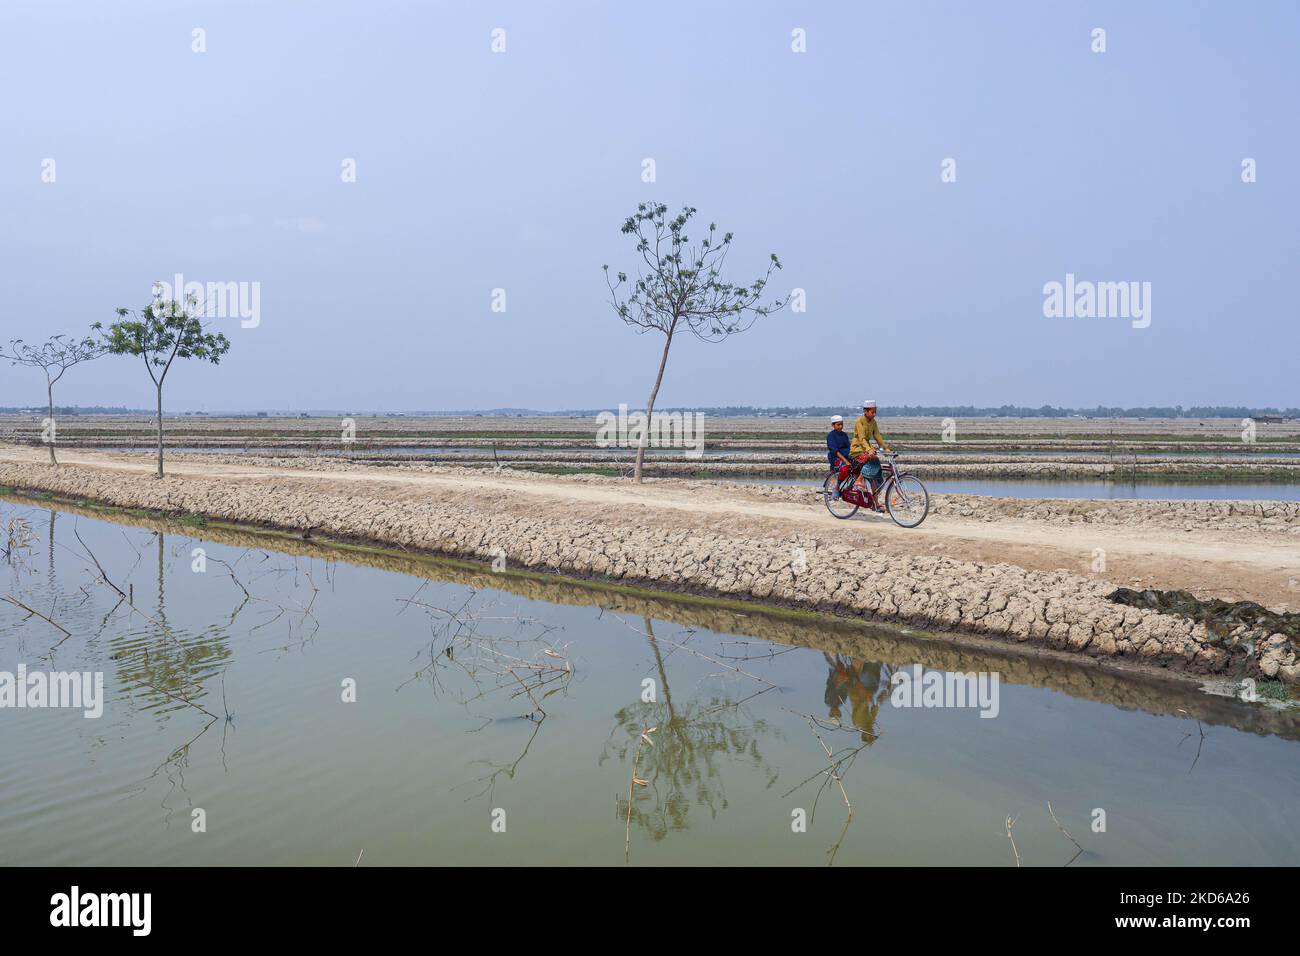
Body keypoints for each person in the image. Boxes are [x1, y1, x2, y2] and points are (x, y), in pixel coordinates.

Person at [850, 400, 893, 506]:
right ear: (865, 411)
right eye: (872, 412)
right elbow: (862, 438)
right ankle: (859, 480)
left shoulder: (873, 422)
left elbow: (878, 436)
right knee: (871, 459)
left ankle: (876, 503)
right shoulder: (859, 421)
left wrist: (885, 448)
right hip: (857, 449)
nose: (874, 414)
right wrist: (869, 449)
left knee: (874, 474)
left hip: (866, 448)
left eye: (875, 412)